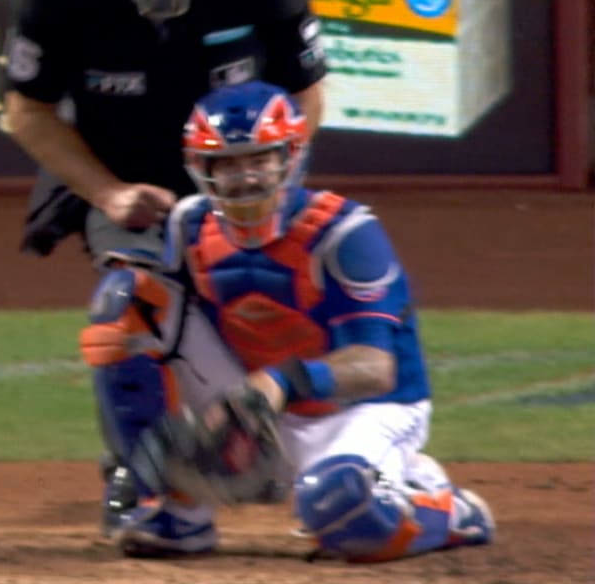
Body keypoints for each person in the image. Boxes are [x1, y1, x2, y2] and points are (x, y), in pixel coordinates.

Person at [1, 0, 329, 531]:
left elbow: (307, 93)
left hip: (248, 187)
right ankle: (142, 478)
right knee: (129, 309)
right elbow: (27, 113)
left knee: (275, 316)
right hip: (128, 185)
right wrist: (108, 195)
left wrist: (271, 184)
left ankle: (317, 467)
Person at [82, 81, 494, 561]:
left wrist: (278, 383)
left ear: (289, 157)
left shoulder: (345, 233)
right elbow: (157, 327)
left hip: (361, 409)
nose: (245, 177)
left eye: (260, 159)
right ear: (201, 168)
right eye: (228, 164)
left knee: (344, 512)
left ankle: (446, 508)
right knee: (125, 302)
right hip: (260, 402)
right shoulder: (188, 225)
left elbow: (375, 368)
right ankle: (173, 512)